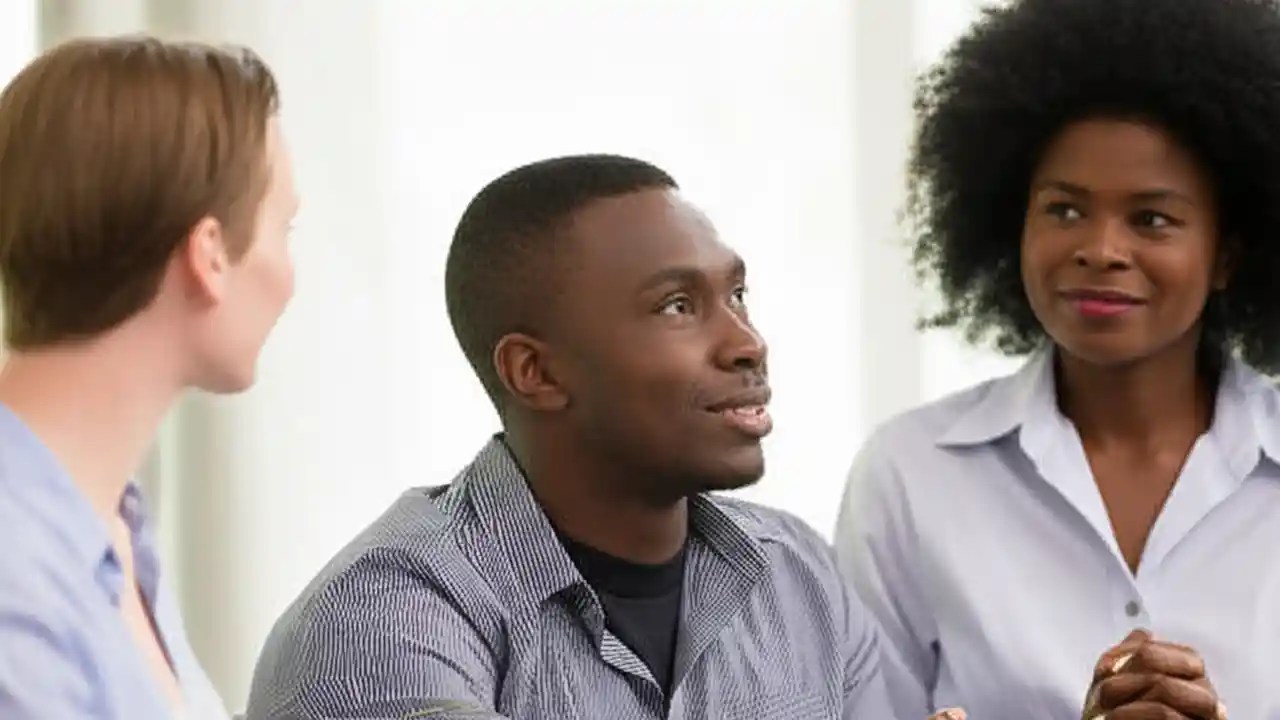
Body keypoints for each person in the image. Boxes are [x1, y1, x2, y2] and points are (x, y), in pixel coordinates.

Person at [245, 154, 960, 720]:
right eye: (678, 306)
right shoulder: (376, 625)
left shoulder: (798, 574)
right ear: (536, 373)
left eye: (736, 295)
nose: (748, 343)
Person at [833, 0, 1280, 718]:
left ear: (1227, 254)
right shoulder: (912, 475)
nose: (1100, 249)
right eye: (1065, 209)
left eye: (1151, 219)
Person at [0, 36, 297, 719]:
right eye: (286, 229)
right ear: (210, 253)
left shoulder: (114, 523)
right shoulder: (17, 564)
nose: (289, 278)